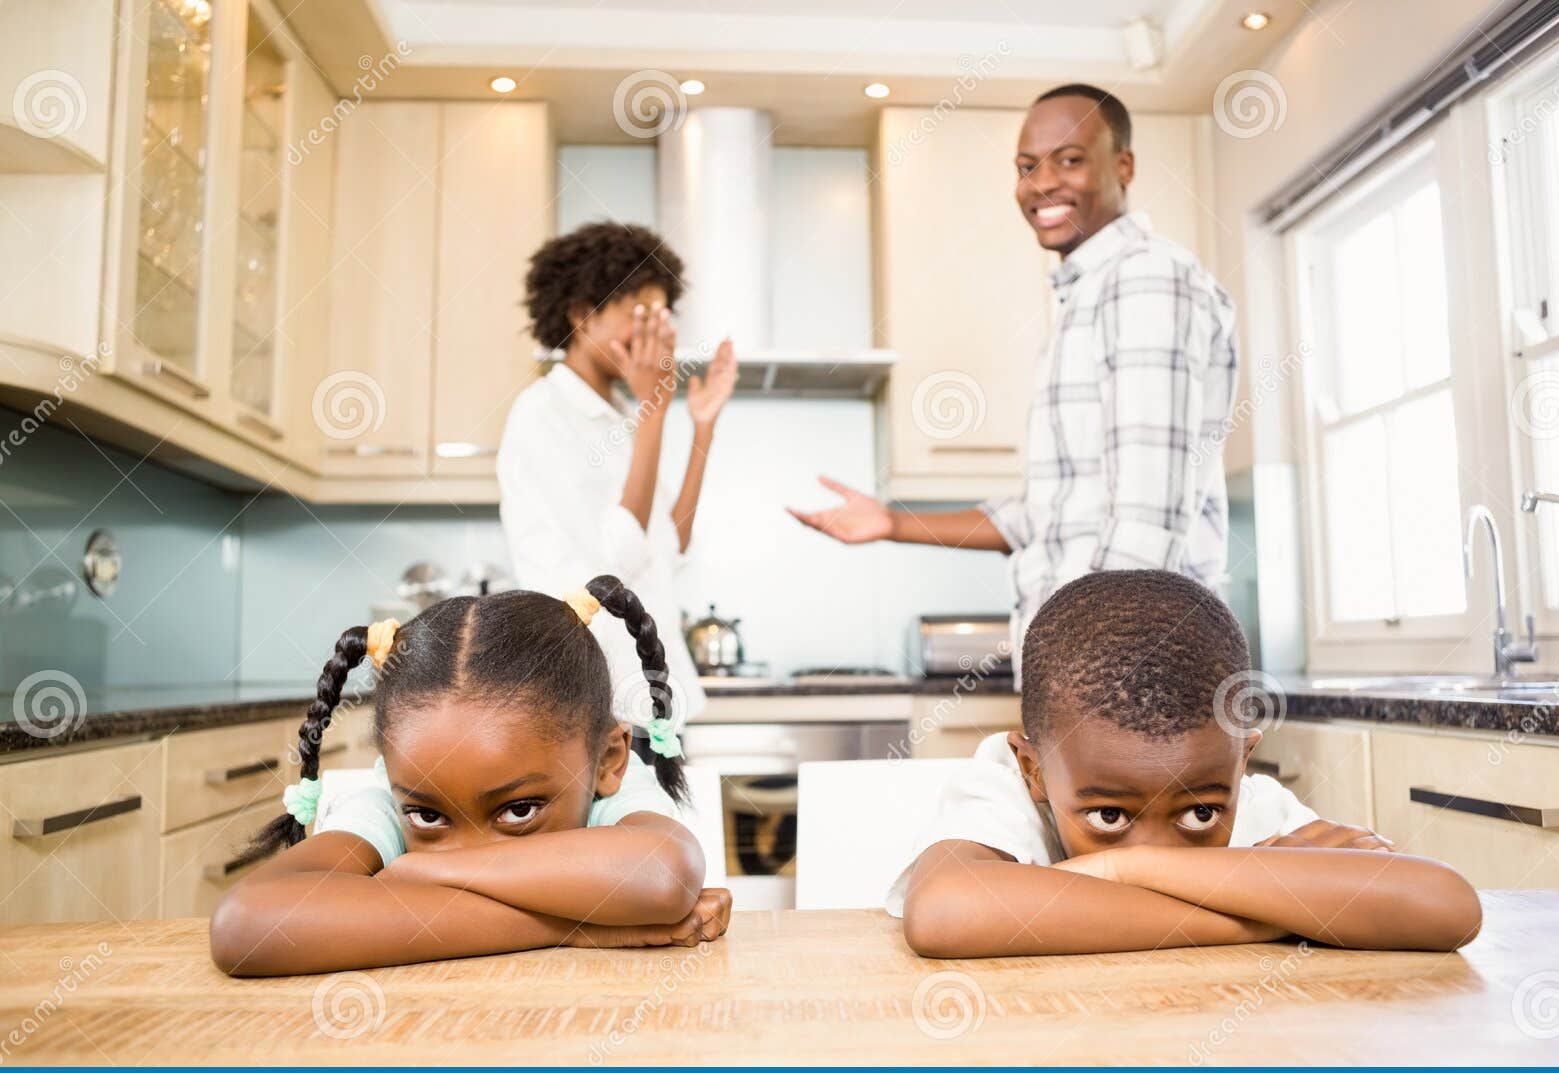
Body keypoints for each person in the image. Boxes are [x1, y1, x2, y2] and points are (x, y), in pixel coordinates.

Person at [791, 85, 1236, 659]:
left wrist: (1095, 671)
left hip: (1121, 668)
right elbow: (1043, 517)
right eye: (1027, 167)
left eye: (1069, 160)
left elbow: (1145, 518)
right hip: (1092, 663)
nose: (1041, 183)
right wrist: (891, 523)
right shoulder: (1089, 295)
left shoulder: (1145, 278)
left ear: (1123, 166)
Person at [890, 569, 1482, 958]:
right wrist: (1270, 913)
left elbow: (1445, 907)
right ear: (1033, 770)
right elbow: (945, 910)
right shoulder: (1004, 791)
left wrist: (1123, 868)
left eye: (1200, 814)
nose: (1158, 849)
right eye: (1109, 817)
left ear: (1242, 762)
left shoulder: (1251, 803)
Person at [209, 577, 730, 977]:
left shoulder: (612, 790)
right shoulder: (386, 804)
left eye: (519, 810)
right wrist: (576, 925)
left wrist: (419, 872)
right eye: (428, 817)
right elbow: (245, 927)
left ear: (609, 760)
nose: (467, 852)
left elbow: (664, 875)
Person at [500, 222, 736, 740]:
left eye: (663, 317)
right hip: (597, 708)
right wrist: (655, 411)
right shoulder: (541, 414)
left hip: (654, 698)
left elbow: (670, 544)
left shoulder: (624, 414)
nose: (656, 335)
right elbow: (612, 573)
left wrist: (702, 427)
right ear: (582, 315)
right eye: (640, 315)